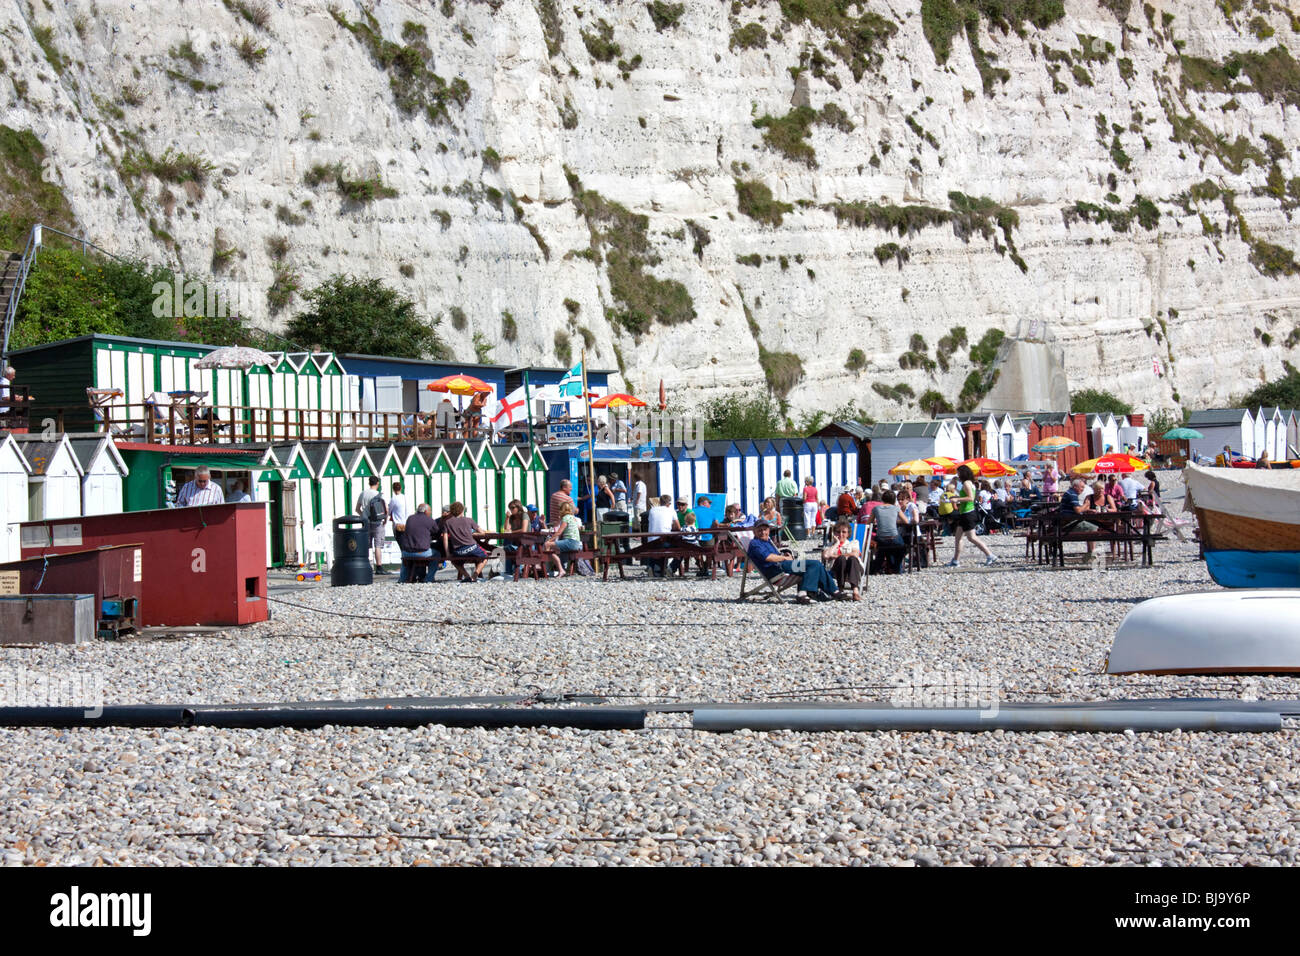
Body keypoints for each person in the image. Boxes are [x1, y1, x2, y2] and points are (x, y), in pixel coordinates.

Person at [746, 521, 838, 603]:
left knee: (815, 566)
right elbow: (768, 557)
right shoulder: (755, 543)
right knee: (814, 565)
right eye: (760, 530)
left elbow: (775, 555)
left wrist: (785, 554)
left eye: (765, 529)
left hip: (783, 566)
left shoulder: (767, 541)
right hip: (778, 570)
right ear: (754, 531)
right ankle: (805, 593)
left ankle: (834, 592)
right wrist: (784, 558)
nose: (763, 532)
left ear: (769, 530)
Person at [947, 464, 996, 567]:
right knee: (958, 537)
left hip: (968, 513)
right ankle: (955, 560)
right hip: (964, 513)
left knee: (972, 537)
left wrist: (957, 499)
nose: (958, 475)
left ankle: (990, 555)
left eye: (959, 473)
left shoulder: (966, 484)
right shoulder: (970, 483)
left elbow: (970, 498)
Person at [442, 501, 487, 581]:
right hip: (472, 547)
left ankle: (466, 576)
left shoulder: (447, 522)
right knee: (485, 557)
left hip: (459, 550)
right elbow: (482, 532)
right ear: (462, 511)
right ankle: (474, 576)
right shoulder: (469, 520)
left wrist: (447, 553)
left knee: (455, 561)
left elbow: (445, 538)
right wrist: (473, 533)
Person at [1059, 477, 1099, 561]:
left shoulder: (1070, 493)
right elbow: (1078, 510)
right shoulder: (1072, 494)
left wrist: (1087, 510)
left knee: (1090, 525)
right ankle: (1092, 553)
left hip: (1068, 520)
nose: (1082, 489)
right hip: (1069, 523)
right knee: (1093, 528)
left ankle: (1090, 553)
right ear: (1075, 487)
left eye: (1083, 487)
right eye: (1081, 487)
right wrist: (1086, 504)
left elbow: (1076, 509)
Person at [822, 519, 863, 600]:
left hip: (854, 569)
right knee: (841, 558)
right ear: (834, 533)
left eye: (844, 532)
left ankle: (855, 591)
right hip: (836, 571)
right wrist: (836, 544)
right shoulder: (830, 545)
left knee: (852, 559)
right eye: (838, 532)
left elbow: (855, 554)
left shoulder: (853, 543)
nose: (841, 534)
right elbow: (826, 555)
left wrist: (834, 556)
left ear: (848, 534)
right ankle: (840, 589)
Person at [356, 475, 389, 574]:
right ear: (377, 483)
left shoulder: (363, 494)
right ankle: (379, 567)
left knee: (366, 545)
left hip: (366, 522)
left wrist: (363, 516)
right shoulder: (379, 494)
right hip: (378, 522)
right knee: (378, 545)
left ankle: (366, 565)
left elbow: (357, 509)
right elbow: (386, 510)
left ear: (368, 483)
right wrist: (385, 520)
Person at [869, 490, 908, 573]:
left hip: (881, 539)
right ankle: (897, 568)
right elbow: (906, 521)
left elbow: (869, 523)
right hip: (894, 537)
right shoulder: (896, 508)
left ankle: (879, 568)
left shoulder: (876, 509)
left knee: (882, 549)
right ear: (894, 500)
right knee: (903, 547)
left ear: (883, 499)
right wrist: (895, 522)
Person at [543, 502, 585, 577]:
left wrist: (550, 540)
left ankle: (558, 569)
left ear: (562, 510)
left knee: (547, 545)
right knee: (555, 548)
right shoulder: (573, 518)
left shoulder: (565, 518)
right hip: (576, 543)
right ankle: (561, 569)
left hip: (570, 542)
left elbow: (559, 532)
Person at [398, 503, 437, 583]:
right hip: (421, 552)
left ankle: (403, 578)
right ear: (426, 511)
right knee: (437, 554)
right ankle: (429, 579)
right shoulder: (429, 520)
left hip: (406, 552)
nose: (430, 512)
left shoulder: (410, 518)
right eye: (430, 510)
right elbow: (436, 532)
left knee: (408, 558)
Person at [644, 494, 680, 577]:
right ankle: (671, 568)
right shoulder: (671, 511)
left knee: (657, 544)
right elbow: (678, 527)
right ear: (669, 504)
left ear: (660, 502)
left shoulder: (652, 510)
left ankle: (651, 566)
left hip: (651, 542)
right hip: (663, 542)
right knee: (679, 547)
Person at [502, 498, 528, 576]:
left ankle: (515, 571)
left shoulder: (524, 515)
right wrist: (507, 518)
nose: (511, 509)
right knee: (507, 547)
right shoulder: (512, 518)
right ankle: (508, 572)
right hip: (516, 541)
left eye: (513, 508)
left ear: (518, 507)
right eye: (510, 508)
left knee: (508, 547)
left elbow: (524, 530)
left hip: (526, 541)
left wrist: (512, 532)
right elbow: (506, 529)